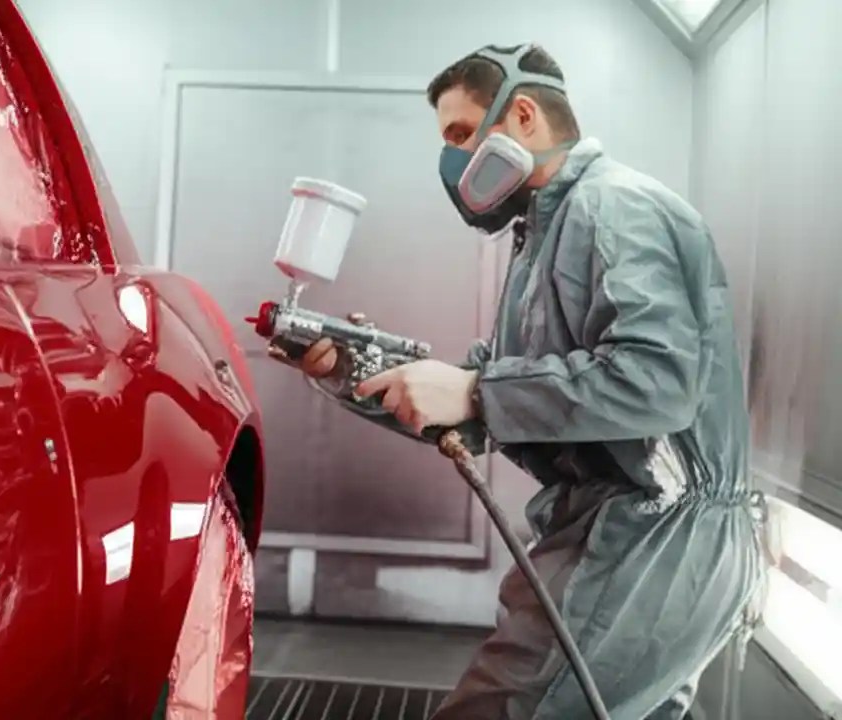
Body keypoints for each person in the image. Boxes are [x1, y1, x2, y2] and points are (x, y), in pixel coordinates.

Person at [302, 44, 766, 719]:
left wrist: (476, 392)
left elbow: (658, 381)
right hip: (633, 537)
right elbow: (499, 403)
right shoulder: (545, 235)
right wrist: (350, 369)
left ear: (522, 114)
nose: (451, 160)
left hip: (652, 539)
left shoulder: (615, 209)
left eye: (460, 134)